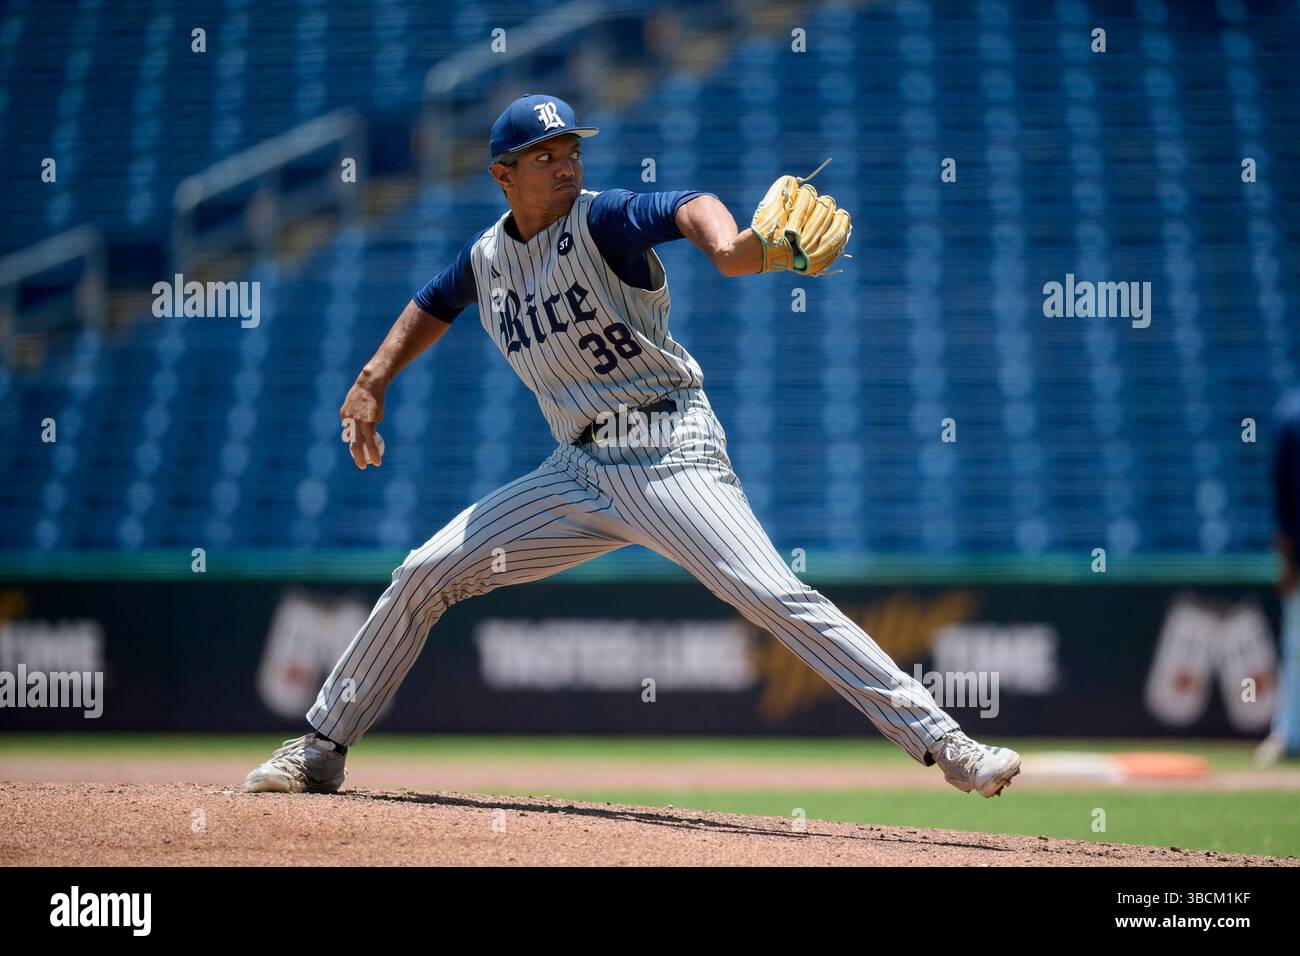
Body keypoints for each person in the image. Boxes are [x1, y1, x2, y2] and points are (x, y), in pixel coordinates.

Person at [243, 92, 1022, 798]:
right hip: (576, 471)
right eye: (544, 157)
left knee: (773, 596)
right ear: (502, 175)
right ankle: (319, 748)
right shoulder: (487, 258)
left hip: (667, 449)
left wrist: (733, 248)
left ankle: (947, 743)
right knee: (423, 573)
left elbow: (687, 205)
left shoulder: (603, 219)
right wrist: (373, 378)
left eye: (571, 151)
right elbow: (434, 303)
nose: (565, 166)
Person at [1257, 387, 1300, 763]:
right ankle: (1290, 734)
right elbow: (1283, 491)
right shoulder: (1292, 414)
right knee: (1296, 647)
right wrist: (1286, 557)